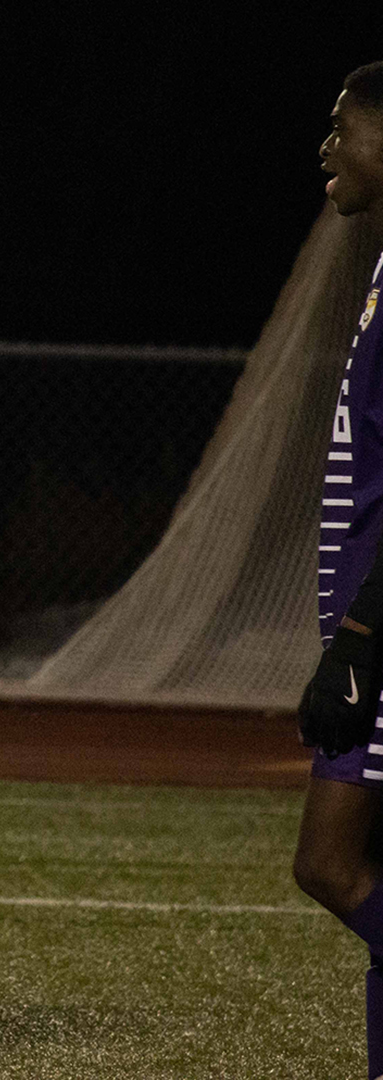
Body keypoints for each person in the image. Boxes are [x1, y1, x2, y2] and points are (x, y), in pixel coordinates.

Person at [294, 58, 383, 1080]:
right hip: (367, 628)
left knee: (329, 864)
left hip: (379, 635)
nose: (328, 147)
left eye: (342, 127)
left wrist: (360, 636)